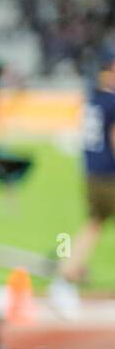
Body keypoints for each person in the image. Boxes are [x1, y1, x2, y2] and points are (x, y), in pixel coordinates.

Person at [50, 46, 115, 318]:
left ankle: (64, 280)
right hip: (110, 173)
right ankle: (64, 281)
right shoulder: (112, 101)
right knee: (93, 226)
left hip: (92, 172)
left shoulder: (93, 98)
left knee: (93, 226)